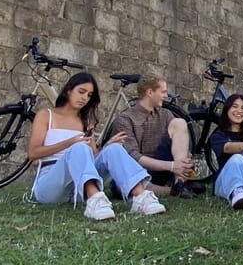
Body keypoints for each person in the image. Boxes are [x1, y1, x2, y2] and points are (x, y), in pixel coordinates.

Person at [27, 72, 166, 219]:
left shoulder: (85, 121)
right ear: (68, 90)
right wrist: (69, 143)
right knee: (79, 147)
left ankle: (140, 198)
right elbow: (33, 153)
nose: (84, 98)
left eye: (89, 95)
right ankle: (94, 201)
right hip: (50, 185)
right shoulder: (46, 115)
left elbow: (92, 157)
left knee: (114, 148)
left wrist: (107, 146)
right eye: (81, 92)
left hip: (78, 186)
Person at [111, 75, 202, 198]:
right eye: (163, 92)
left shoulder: (165, 114)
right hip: (138, 171)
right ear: (150, 92)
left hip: (165, 168)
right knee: (120, 184)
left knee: (179, 122)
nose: (166, 96)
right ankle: (171, 191)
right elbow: (134, 157)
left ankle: (179, 182)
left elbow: (178, 139)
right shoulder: (125, 119)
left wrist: (184, 157)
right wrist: (172, 166)